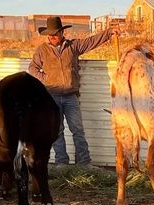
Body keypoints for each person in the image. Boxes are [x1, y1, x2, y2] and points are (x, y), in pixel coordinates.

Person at [27, 16, 118, 166]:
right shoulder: (42, 50)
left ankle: (84, 162)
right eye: (50, 34)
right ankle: (61, 163)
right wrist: (47, 79)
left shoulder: (73, 46)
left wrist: (109, 33)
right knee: (57, 131)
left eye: (55, 33)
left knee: (78, 130)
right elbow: (33, 68)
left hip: (71, 97)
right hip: (52, 97)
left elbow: (91, 42)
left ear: (62, 33)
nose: (52, 36)